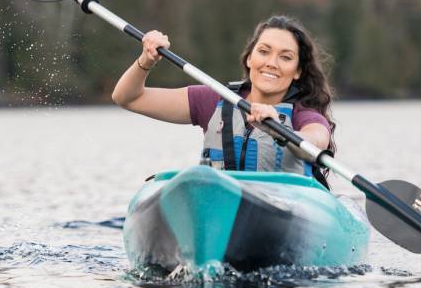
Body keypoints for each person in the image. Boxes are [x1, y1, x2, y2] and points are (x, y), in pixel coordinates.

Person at [111, 15, 337, 187]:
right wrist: (146, 60)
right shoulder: (213, 99)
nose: (271, 63)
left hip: (283, 213)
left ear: (297, 71)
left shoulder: (304, 115)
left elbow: (314, 142)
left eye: (285, 57)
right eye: (264, 51)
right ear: (250, 58)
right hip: (220, 207)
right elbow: (128, 98)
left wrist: (279, 130)